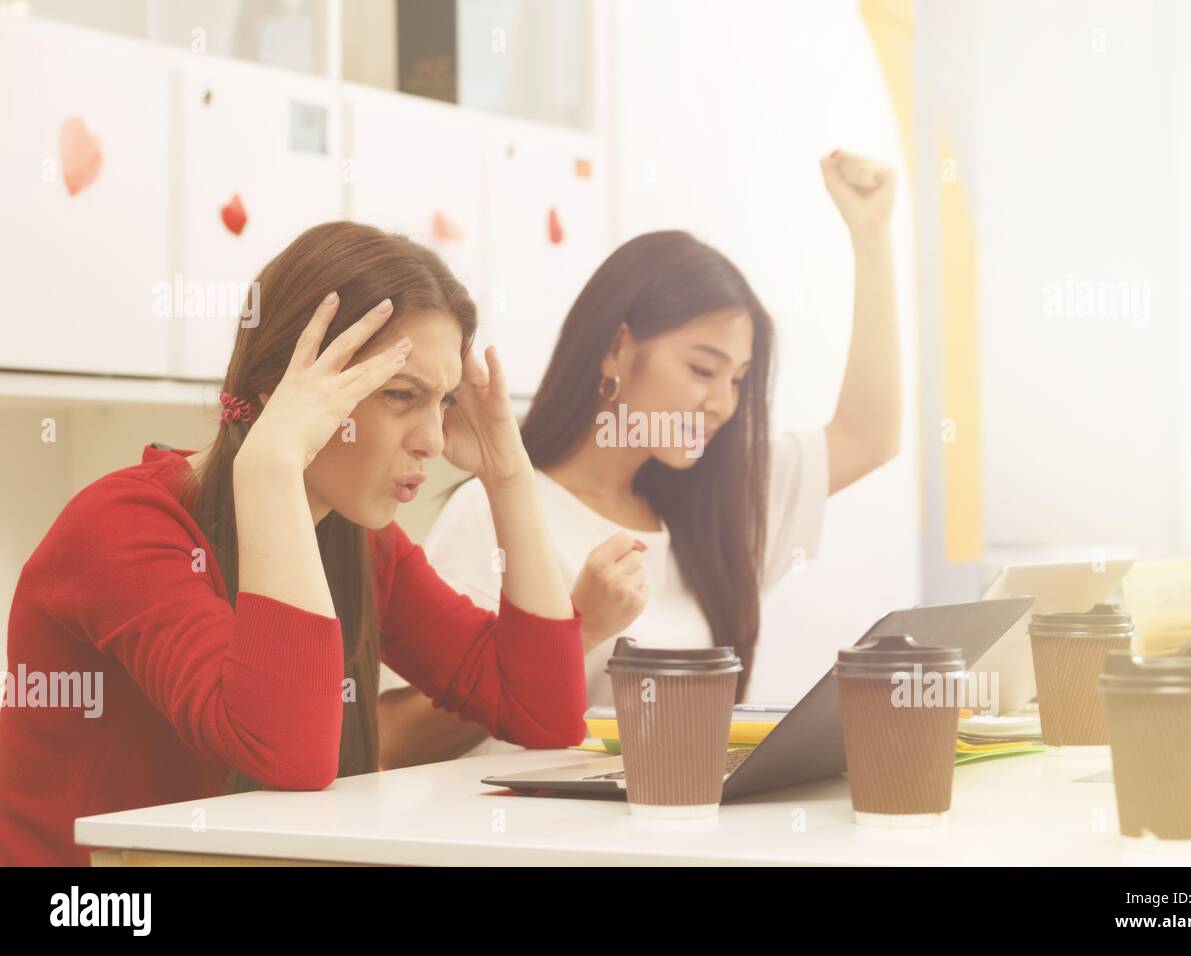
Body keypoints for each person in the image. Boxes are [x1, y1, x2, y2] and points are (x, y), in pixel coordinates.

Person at [0, 222, 586, 865]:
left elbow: (545, 714)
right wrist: (271, 463)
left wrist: (509, 471)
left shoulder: (360, 539)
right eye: (399, 395)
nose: (434, 441)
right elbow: (288, 753)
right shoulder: (121, 528)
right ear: (280, 394)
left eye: (442, 402)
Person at [378, 151, 900, 768]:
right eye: (703, 369)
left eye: (738, 379)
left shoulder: (714, 508)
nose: (722, 404)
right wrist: (576, 631)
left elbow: (869, 435)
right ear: (618, 348)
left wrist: (870, 233)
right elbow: (396, 742)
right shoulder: (495, 510)